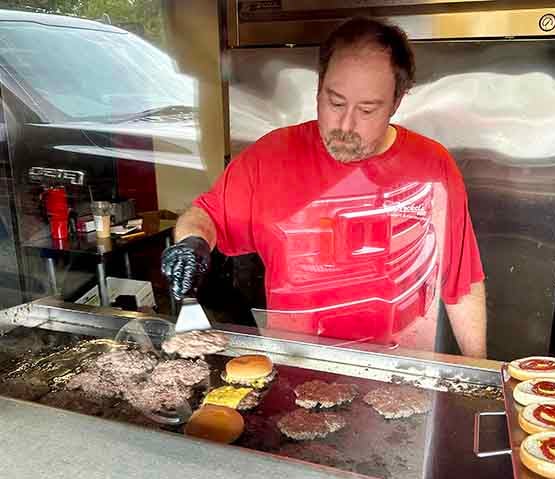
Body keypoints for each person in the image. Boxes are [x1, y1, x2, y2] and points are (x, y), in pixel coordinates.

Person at [162, 17, 487, 358]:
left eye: (367, 109)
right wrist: (193, 242)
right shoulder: (270, 158)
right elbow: (204, 215)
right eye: (335, 102)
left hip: (402, 377)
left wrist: (481, 376)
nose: (345, 125)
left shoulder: (432, 167)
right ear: (319, 87)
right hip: (294, 373)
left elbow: (462, 283)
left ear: (396, 102)